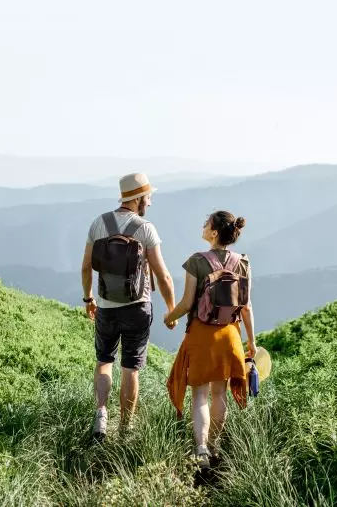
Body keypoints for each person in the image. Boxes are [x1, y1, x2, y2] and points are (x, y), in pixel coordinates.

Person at [81, 173, 176, 440]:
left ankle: (101, 415)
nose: (150, 202)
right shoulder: (145, 229)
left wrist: (88, 299)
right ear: (137, 198)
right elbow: (163, 274)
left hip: (106, 306)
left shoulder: (98, 223)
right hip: (137, 306)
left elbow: (86, 267)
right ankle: (126, 427)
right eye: (148, 197)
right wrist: (171, 310)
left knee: (104, 362)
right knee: (130, 367)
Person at [164, 210, 256, 470]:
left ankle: (201, 449)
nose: (202, 226)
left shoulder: (196, 261)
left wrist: (168, 317)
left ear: (214, 232)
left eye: (206, 224)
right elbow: (247, 306)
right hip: (230, 334)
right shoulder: (243, 263)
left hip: (202, 334)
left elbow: (186, 303)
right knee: (220, 393)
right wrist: (252, 341)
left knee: (200, 396)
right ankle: (214, 445)